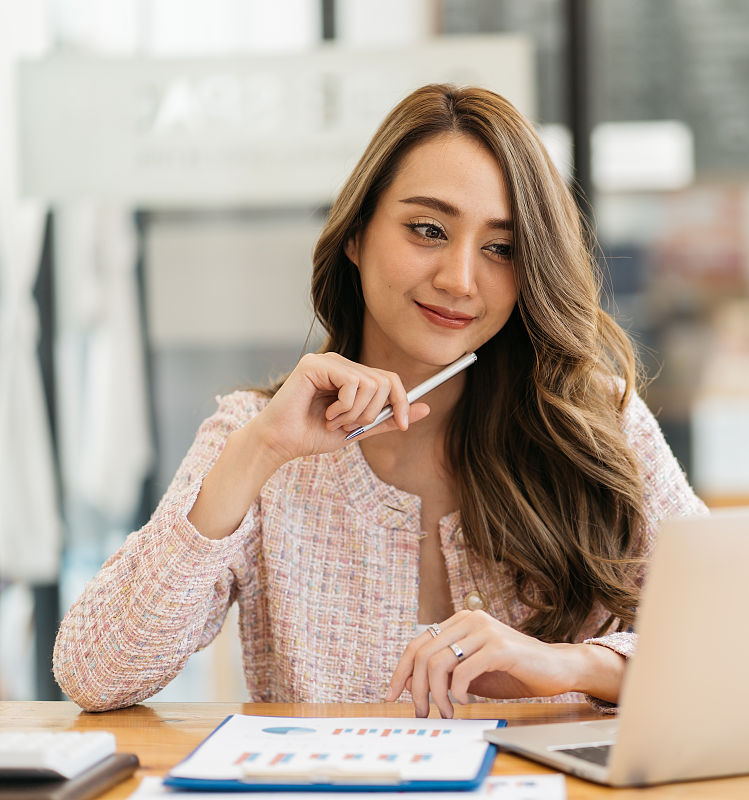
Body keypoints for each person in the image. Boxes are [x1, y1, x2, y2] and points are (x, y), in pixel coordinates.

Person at [52, 84, 705, 716]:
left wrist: (566, 665)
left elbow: (739, 642)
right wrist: (257, 454)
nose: (459, 279)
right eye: (427, 230)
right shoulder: (254, 437)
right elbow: (94, 672)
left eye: (501, 248)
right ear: (357, 235)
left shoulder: (596, 421)